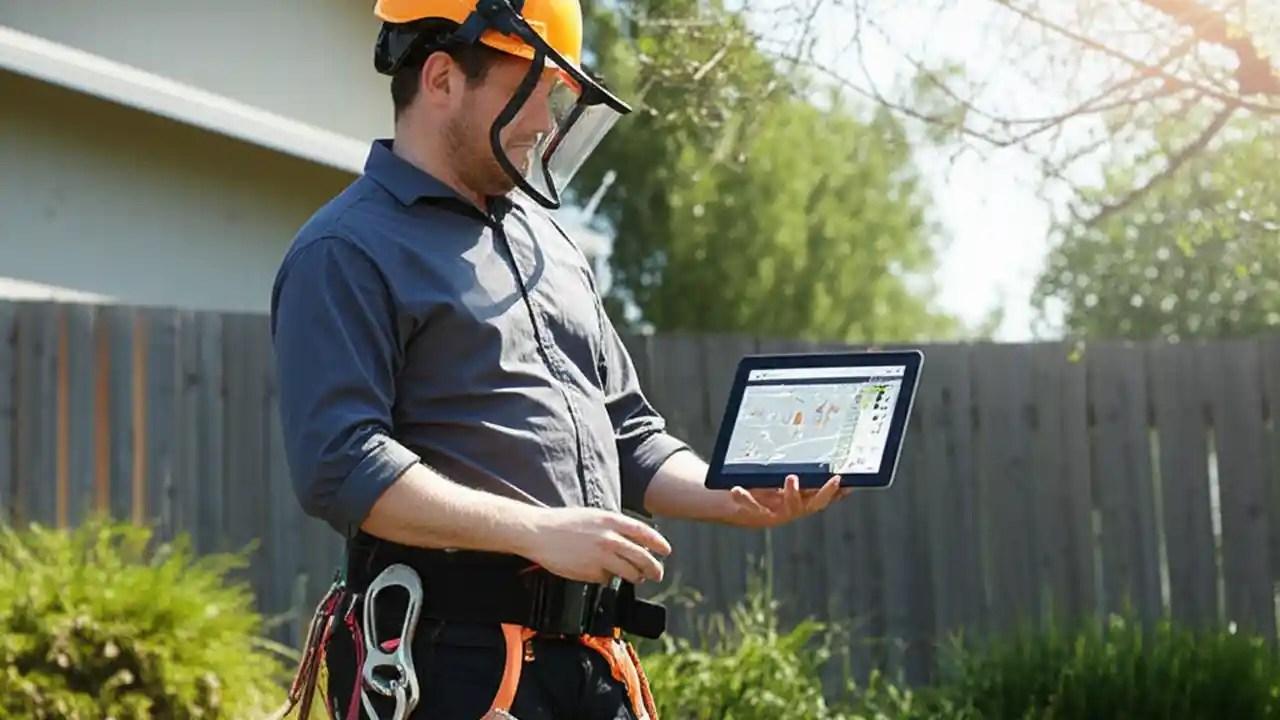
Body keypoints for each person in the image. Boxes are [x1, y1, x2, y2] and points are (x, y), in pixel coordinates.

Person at [269, 0, 850, 717]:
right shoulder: (345, 250)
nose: (548, 119)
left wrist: (735, 494)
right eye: (534, 89)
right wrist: (536, 531)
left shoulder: (554, 248)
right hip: (445, 662)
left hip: (591, 661)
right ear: (444, 77)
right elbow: (342, 466)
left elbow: (629, 436)